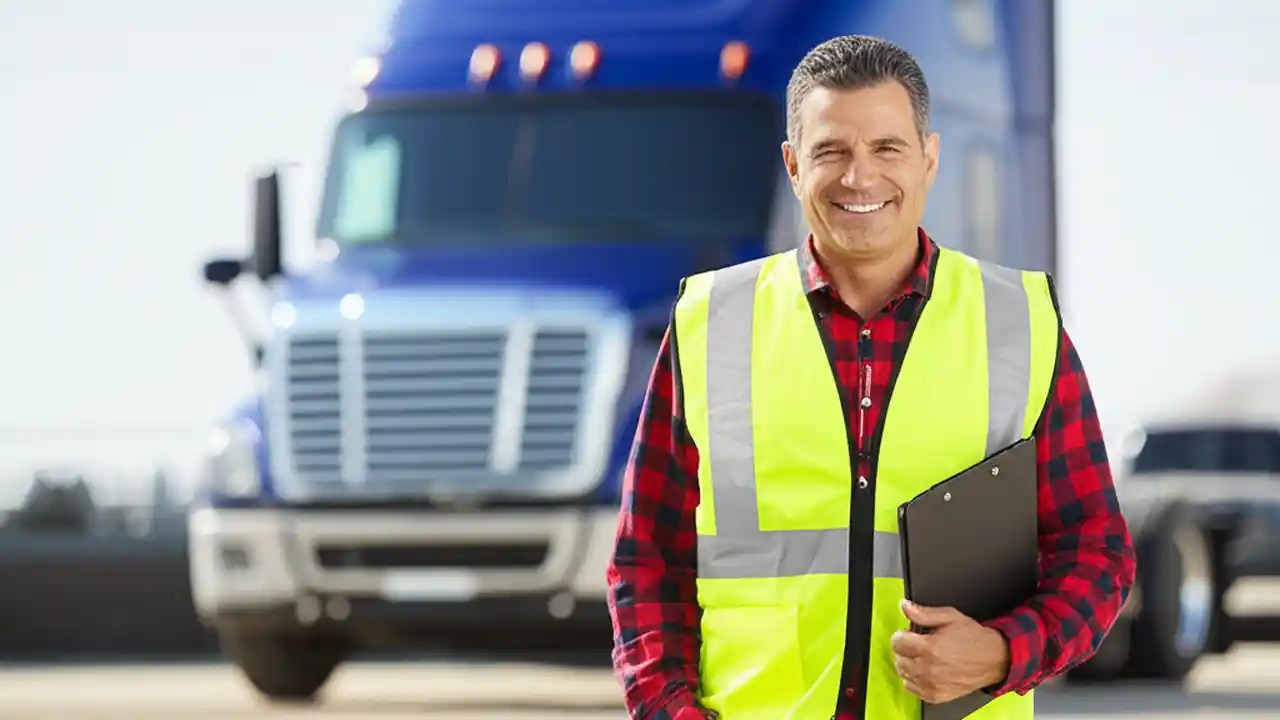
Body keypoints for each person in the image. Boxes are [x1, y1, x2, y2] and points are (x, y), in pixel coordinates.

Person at [606, 34, 1137, 720]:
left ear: (930, 160)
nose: (860, 177)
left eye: (887, 148)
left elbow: (1095, 549)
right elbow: (646, 561)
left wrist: (1006, 651)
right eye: (832, 151)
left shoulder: (1020, 326)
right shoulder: (710, 324)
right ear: (794, 166)